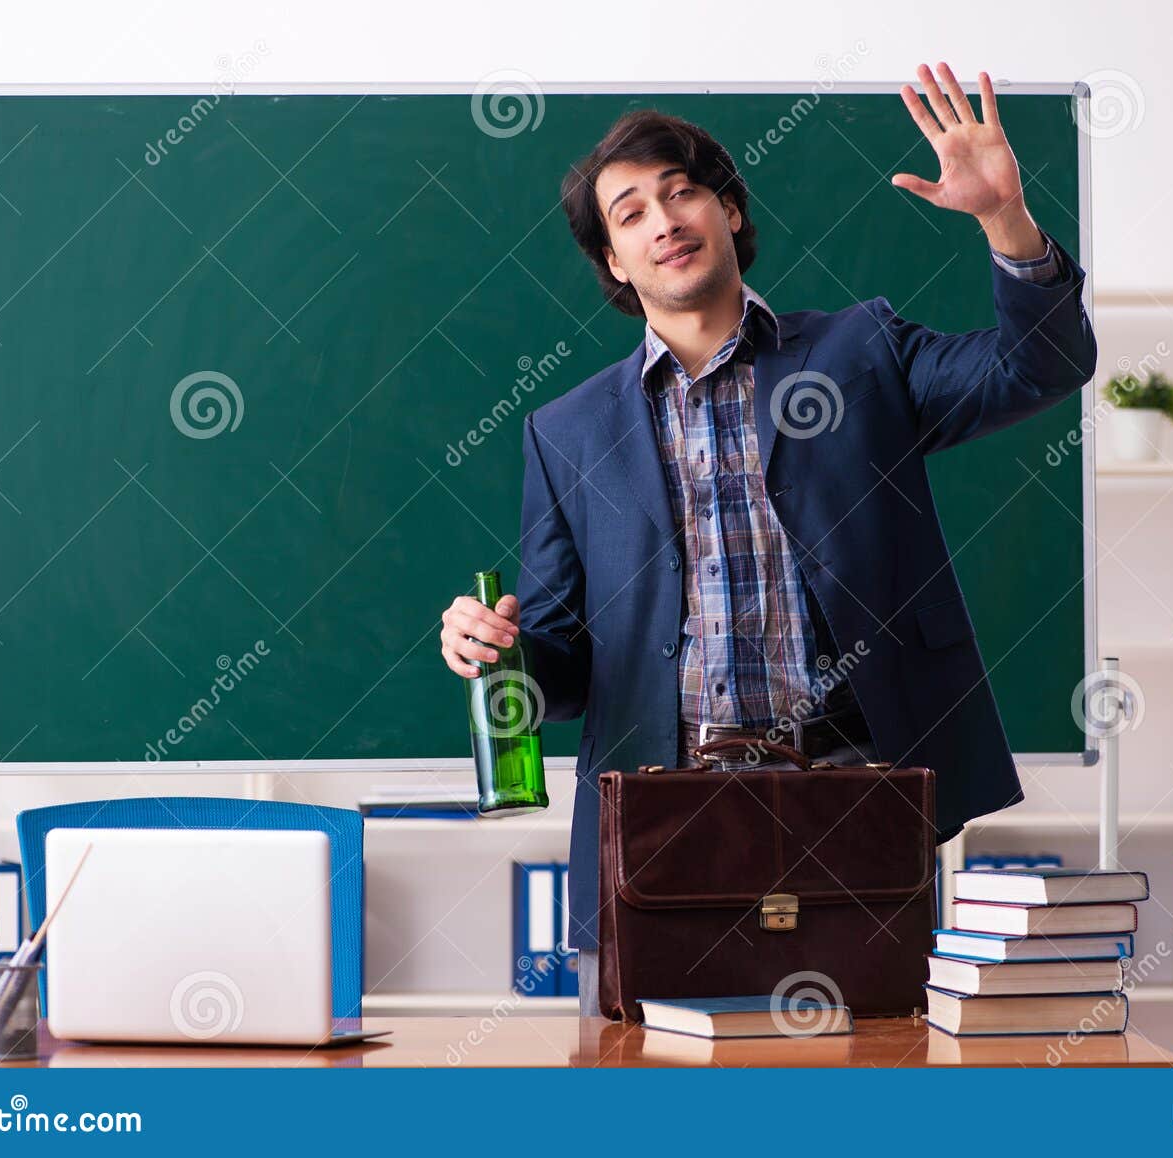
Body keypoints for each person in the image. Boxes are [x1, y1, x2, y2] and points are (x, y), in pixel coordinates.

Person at [439, 64, 1098, 1018]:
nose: (664, 219)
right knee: (650, 1101)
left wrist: (1006, 221)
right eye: (630, 213)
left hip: (854, 792)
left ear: (729, 214)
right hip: (661, 815)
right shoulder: (569, 431)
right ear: (615, 263)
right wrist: (493, 655)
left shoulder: (859, 352)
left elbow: (1046, 362)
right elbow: (566, 671)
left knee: (875, 1079)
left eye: (683, 191)